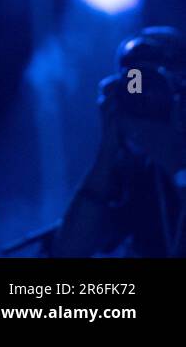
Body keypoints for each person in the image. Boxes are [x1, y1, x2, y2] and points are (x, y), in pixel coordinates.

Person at [49, 26, 186, 257]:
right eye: (135, 84)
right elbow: (69, 252)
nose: (144, 95)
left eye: (156, 83)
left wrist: (178, 167)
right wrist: (107, 152)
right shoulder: (136, 170)